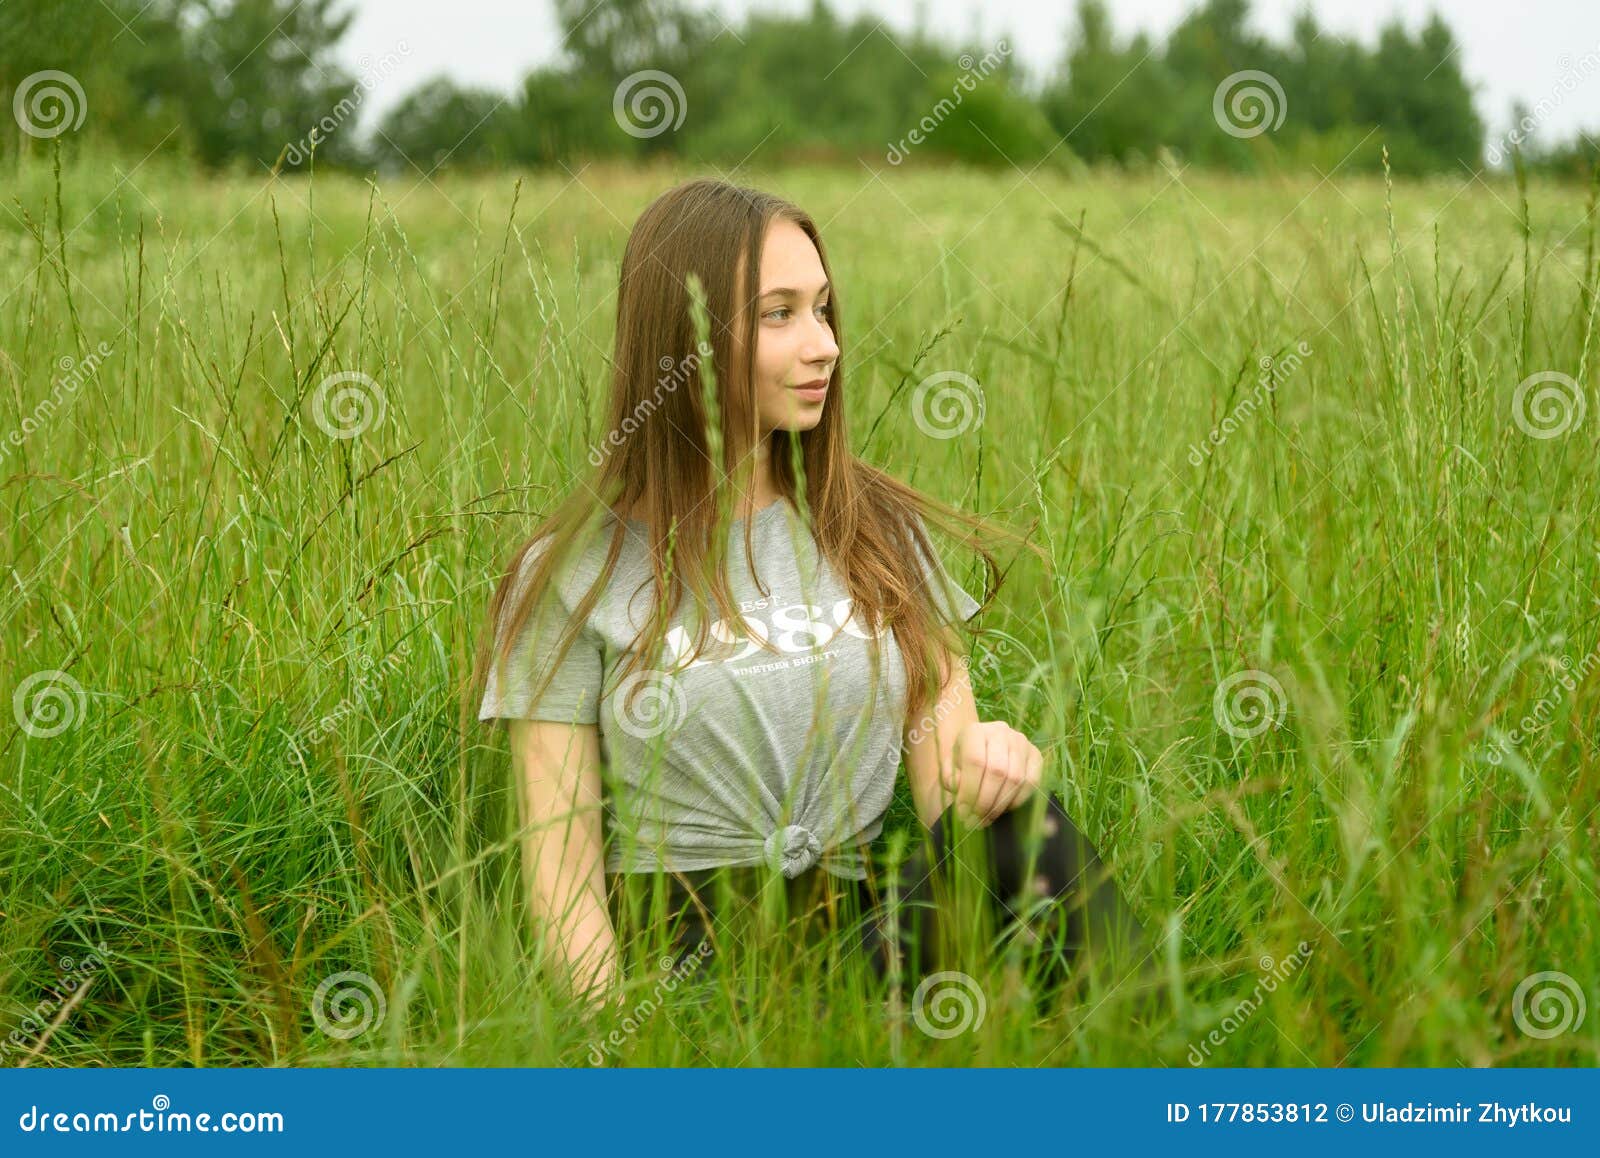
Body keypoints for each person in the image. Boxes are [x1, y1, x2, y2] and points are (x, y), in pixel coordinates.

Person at [472, 177, 1146, 1017]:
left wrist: (998, 765)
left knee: (1027, 831)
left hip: (859, 949)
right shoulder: (577, 571)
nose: (825, 344)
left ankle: (1166, 1076)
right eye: (779, 314)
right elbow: (562, 880)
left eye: (824, 310)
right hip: (690, 976)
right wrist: (624, 1058)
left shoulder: (878, 531)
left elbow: (952, 786)